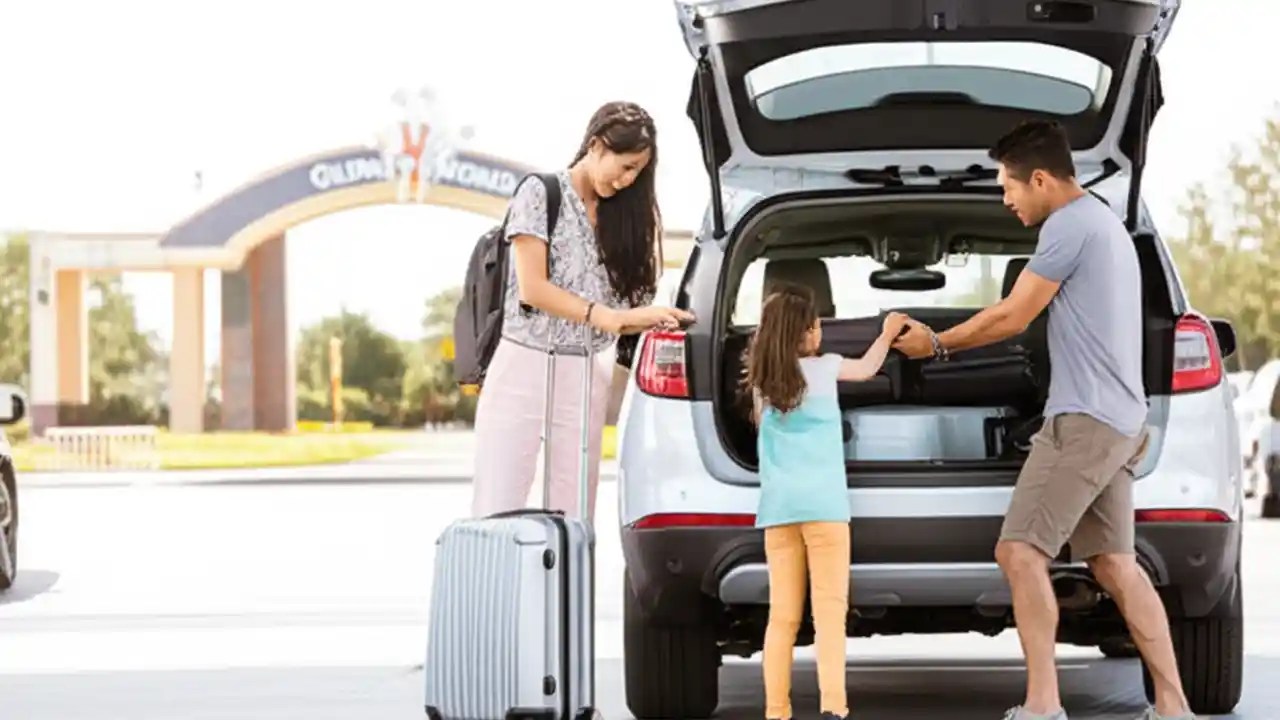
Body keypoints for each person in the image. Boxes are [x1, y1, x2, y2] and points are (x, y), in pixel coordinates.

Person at [892, 120, 1194, 720]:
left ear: (1039, 179)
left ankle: (1042, 705)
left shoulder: (1070, 225)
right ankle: (1173, 707)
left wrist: (937, 343)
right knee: (1114, 564)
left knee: (1019, 553)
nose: (1005, 198)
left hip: (1084, 420)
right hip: (1119, 418)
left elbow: (1013, 315)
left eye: (1008, 186)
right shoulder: (1105, 221)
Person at [470, 101, 694, 521]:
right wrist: (607, 317)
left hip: (587, 370)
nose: (627, 181)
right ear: (596, 145)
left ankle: (568, 589)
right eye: (624, 166)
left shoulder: (625, 218)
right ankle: (496, 586)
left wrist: (649, 317)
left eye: (637, 173)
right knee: (497, 502)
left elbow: (630, 305)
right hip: (524, 361)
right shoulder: (541, 193)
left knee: (574, 511)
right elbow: (534, 288)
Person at [745, 284, 908, 720]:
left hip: (780, 514)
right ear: (806, 333)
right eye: (816, 325)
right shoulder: (826, 368)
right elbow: (871, 367)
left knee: (782, 620)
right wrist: (888, 331)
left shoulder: (761, 382)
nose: (821, 331)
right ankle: (833, 709)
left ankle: (776, 711)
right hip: (826, 512)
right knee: (829, 615)